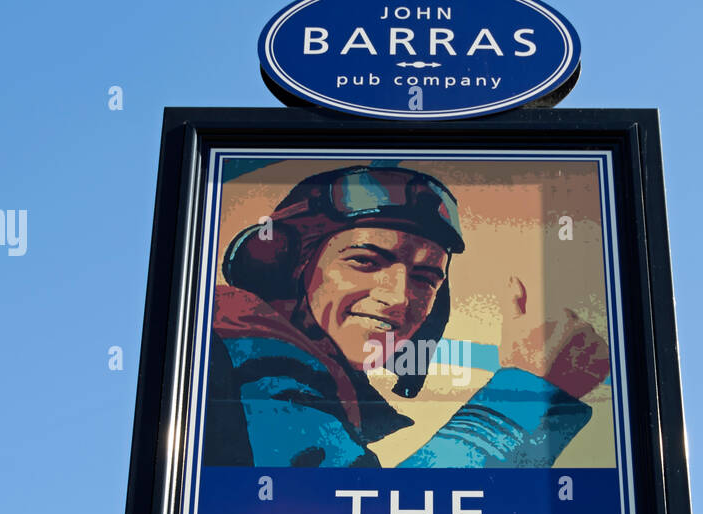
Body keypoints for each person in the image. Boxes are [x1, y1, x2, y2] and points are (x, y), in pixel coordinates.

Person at [201, 165, 610, 468]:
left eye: (426, 277)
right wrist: (530, 390)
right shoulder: (247, 348)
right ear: (292, 265)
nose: (399, 297)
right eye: (364, 260)